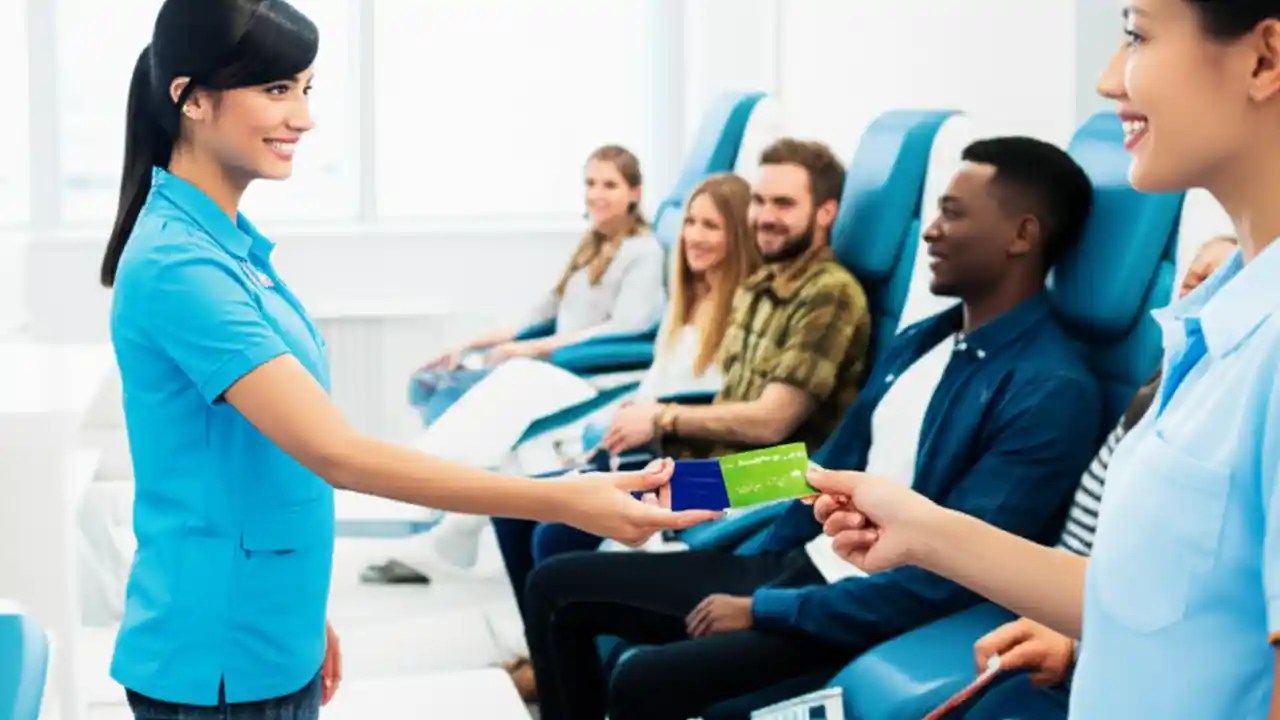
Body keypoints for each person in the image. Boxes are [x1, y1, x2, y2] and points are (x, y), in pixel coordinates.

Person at [101, 2, 716, 718]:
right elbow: (338, 455)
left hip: (263, 625)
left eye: (306, 89)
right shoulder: (181, 263)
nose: (302, 118)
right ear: (191, 98)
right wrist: (565, 498)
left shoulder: (226, 241)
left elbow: (260, 466)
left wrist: (299, 613)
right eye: (276, 90)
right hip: (218, 651)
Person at [521, 136, 1102, 720]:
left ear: (1021, 236)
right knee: (553, 574)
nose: (930, 232)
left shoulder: (1048, 389)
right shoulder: (918, 337)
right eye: (758, 202)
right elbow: (828, 459)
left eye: (952, 214)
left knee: (638, 674)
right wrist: (681, 488)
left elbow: (942, 568)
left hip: (843, 589)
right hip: (794, 548)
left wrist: (761, 593)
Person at [809, 3, 1280, 717]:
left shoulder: (1049, 380)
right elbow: (1180, 607)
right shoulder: (1210, 320)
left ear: (1264, 58)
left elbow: (777, 418)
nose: (1107, 79)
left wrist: (763, 600)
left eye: (1136, 35)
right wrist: (923, 533)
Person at [488, 171, 761, 696]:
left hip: (714, 467)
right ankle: (547, 662)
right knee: (515, 509)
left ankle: (568, 670)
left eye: (713, 227)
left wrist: (654, 421)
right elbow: (658, 385)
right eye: (691, 224)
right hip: (655, 449)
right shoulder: (689, 295)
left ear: (740, 236)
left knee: (555, 532)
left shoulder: (745, 308)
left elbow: (730, 415)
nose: (696, 237)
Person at [957, 235, 1238, 719]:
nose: (1200, 281)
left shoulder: (1243, 427)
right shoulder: (1155, 396)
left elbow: (1216, 630)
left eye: (1231, 275)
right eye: (1194, 275)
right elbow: (1089, 549)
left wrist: (1083, 643)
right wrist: (1066, 628)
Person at [421, 144, 665, 372]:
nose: (596, 194)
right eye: (590, 184)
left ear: (635, 193)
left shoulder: (644, 252)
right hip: (561, 360)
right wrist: (466, 346)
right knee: (456, 378)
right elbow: (534, 320)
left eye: (609, 185)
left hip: (589, 367)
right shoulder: (590, 248)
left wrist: (531, 349)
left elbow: (626, 328)